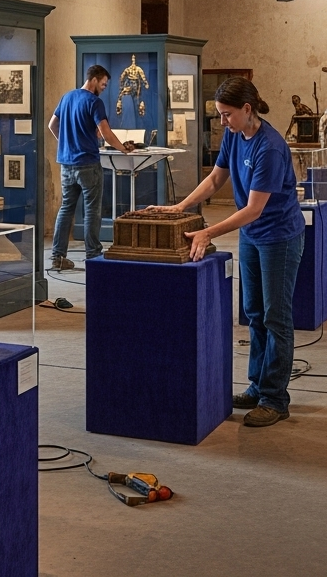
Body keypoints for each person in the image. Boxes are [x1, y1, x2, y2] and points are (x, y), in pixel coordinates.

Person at [146, 77, 304, 428]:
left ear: (248, 110)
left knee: (276, 317)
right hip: (252, 236)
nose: (222, 123)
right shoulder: (234, 136)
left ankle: (275, 399)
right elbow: (216, 179)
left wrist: (208, 230)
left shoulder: (270, 148)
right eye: (219, 115)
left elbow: (253, 209)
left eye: (226, 115)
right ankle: (257, 386)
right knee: (254, 312)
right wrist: (180, 206)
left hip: (279, 236)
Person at [47, 64, 133, 270]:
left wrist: (67, 143)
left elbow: (52, 125)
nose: (103, 88)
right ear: (94, 79)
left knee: (66, 209)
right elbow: (105, 133)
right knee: (92, 210)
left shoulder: (67, 97)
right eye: (103, 84)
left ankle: (58, 257)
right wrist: (123, 148)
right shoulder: (95, 102)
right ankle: (93, 255)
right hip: (88, 164)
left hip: (66, 164)